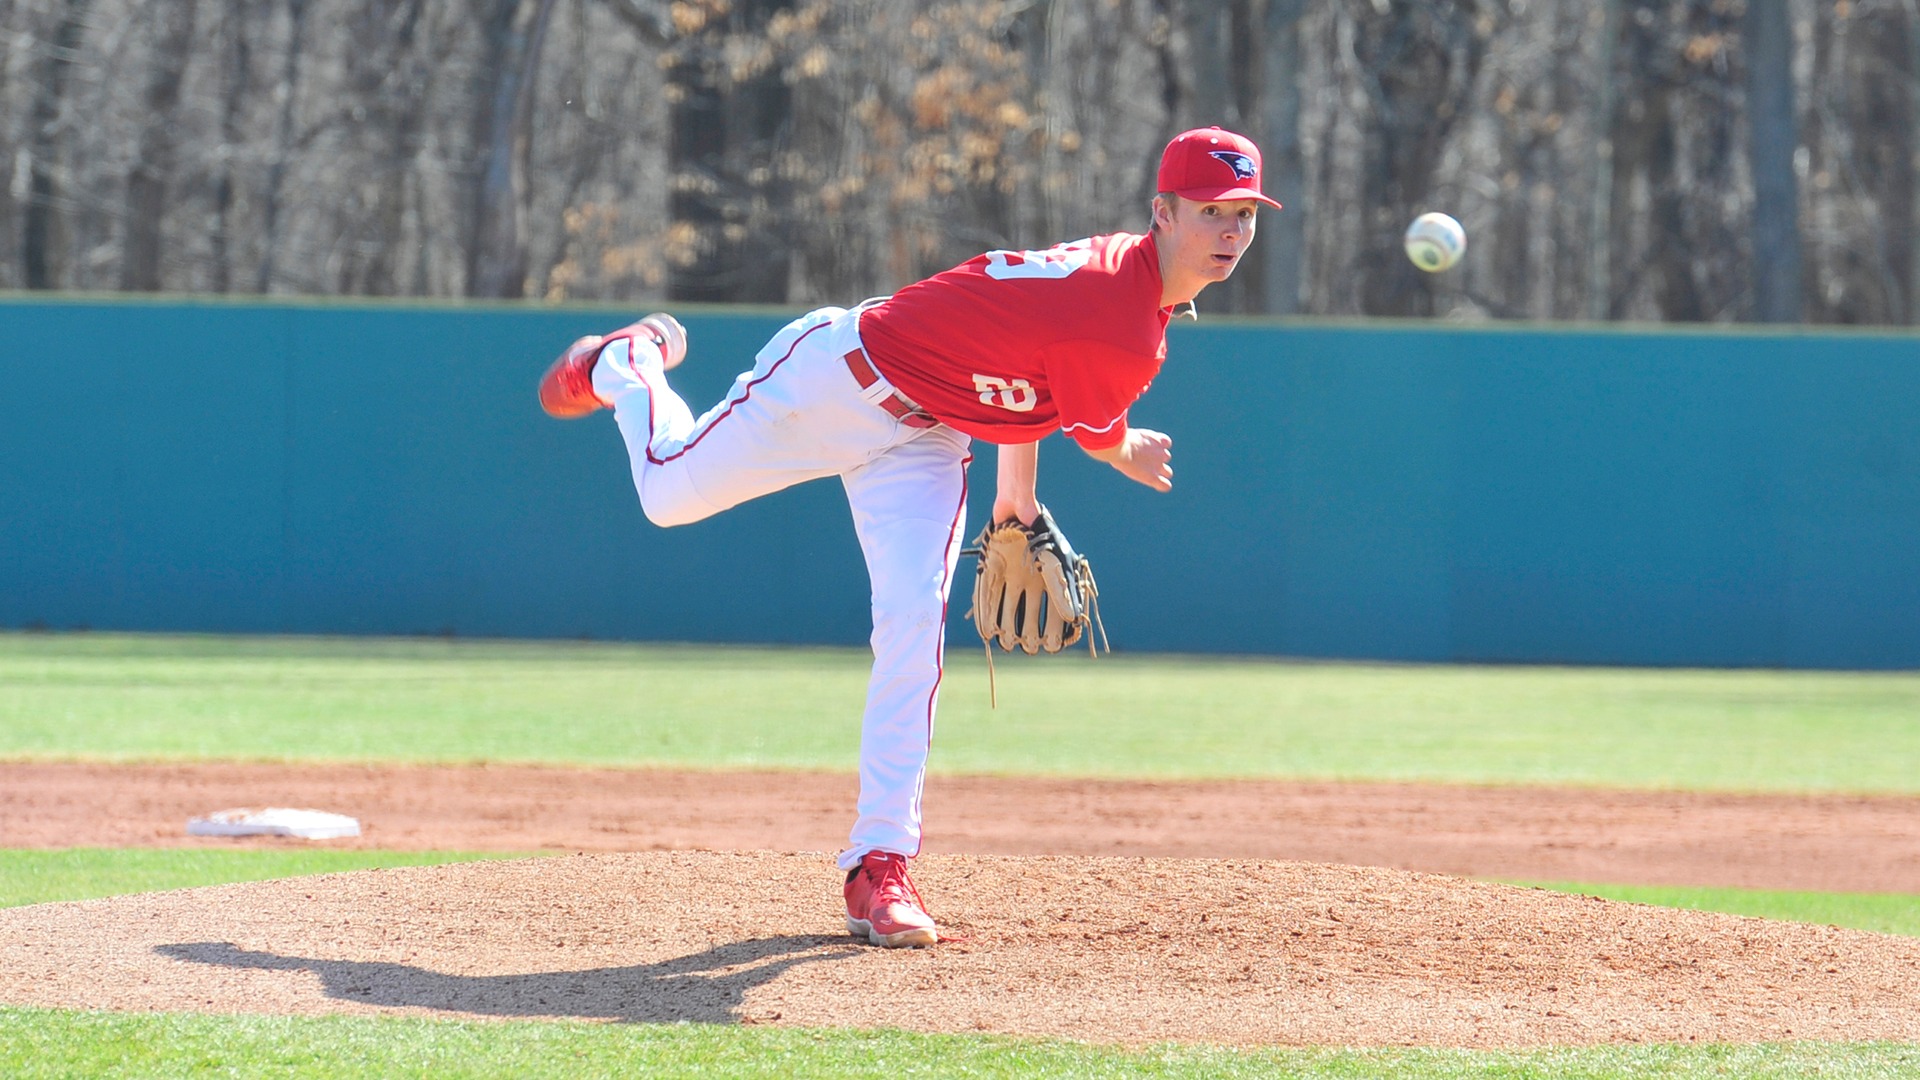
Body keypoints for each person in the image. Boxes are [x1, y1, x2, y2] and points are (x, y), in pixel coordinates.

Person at [538, 127, 1277, 947]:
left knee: (913, 616)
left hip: (929, 436)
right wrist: (1129, 448)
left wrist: (1015, 506)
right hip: (838, 382)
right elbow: (1098, 431)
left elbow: (1026, 380)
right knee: (666, 494)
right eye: (1212, 212)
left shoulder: (1127, 290)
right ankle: (627, 363)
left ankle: (878, 866)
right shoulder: (1122, 318)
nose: (1232, 233)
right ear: (1163, 214)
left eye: (1244, 214)